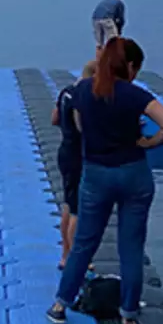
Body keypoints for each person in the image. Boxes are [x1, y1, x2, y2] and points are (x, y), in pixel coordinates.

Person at [45, 37, 163, 324]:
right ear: (130, 66)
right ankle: (129, 318)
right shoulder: (135, 95)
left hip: (96, 173)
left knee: (83, 243)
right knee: (130, 247)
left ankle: (60, 304)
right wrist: (147, 142)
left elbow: (76, 124)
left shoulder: (82, 90)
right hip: (133, 173)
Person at [51, 60, 96, 269]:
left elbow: (54, 119)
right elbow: (84, 128)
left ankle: (65, 254)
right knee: (78, 210)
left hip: (65, 150)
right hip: (79, 154)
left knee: (68, 205)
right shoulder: (84, 97)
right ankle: (73, 258)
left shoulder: (66, 92)